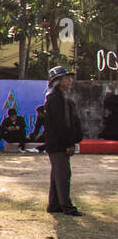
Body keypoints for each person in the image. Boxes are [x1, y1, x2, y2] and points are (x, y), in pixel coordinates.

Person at [42, 65, 84, 215]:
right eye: (67, 79)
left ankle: (54, 205)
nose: (69, 81)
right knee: (63, 175)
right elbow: (61, 124)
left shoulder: (54, 98)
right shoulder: (57, 99)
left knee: (57, 175)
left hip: (55, 143)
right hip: (59, 144)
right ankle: (67, 206)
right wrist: (68, 144)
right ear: (58, 81)